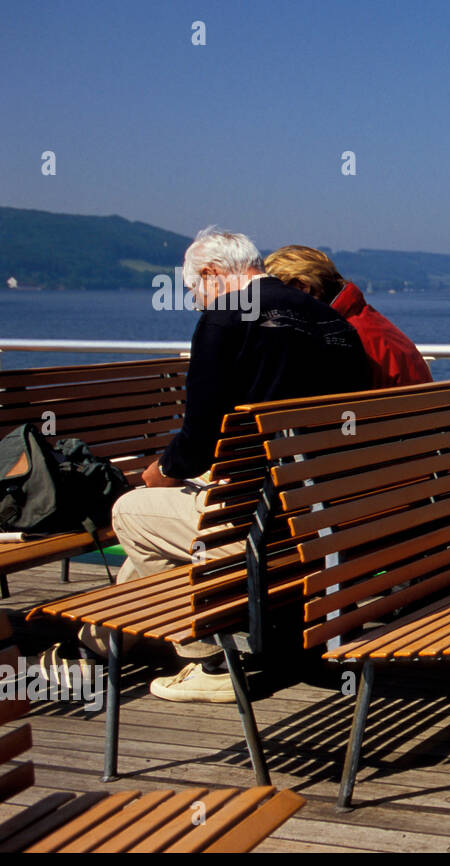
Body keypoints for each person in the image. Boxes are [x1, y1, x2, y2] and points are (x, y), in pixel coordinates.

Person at [46, 227, 371, 703]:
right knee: (163, 516)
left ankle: (209, 659)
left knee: (133, 512)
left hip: (263, 526)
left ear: (214, 274)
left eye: (196, 290)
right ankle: (98, 645)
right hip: (325, 515)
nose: (198, 302)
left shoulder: (227, 317)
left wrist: (161, 471)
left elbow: (199, 439)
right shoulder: (332, 323)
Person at [264, 245, 432, 388]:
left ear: (303, 288)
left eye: (277, 295)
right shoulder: (369, 322)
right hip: (410, 422)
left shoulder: (340, 339)